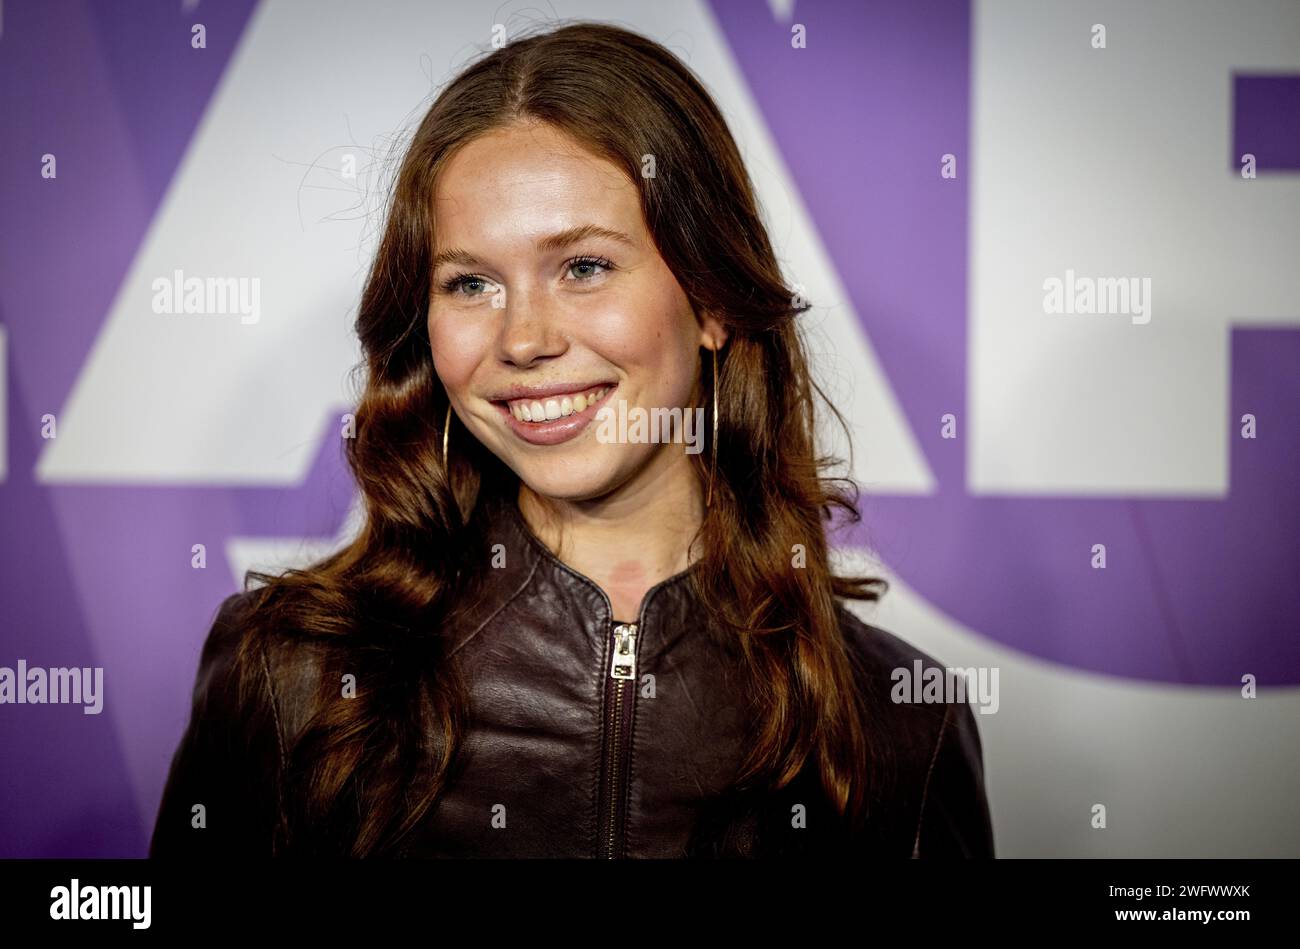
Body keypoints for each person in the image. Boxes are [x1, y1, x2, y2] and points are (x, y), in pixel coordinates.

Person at [149, 20, 995, 859]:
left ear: (711, 300)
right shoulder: (287, 672)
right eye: (469, 283)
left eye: (584, 267)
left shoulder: (898, 725)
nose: (523, 339)